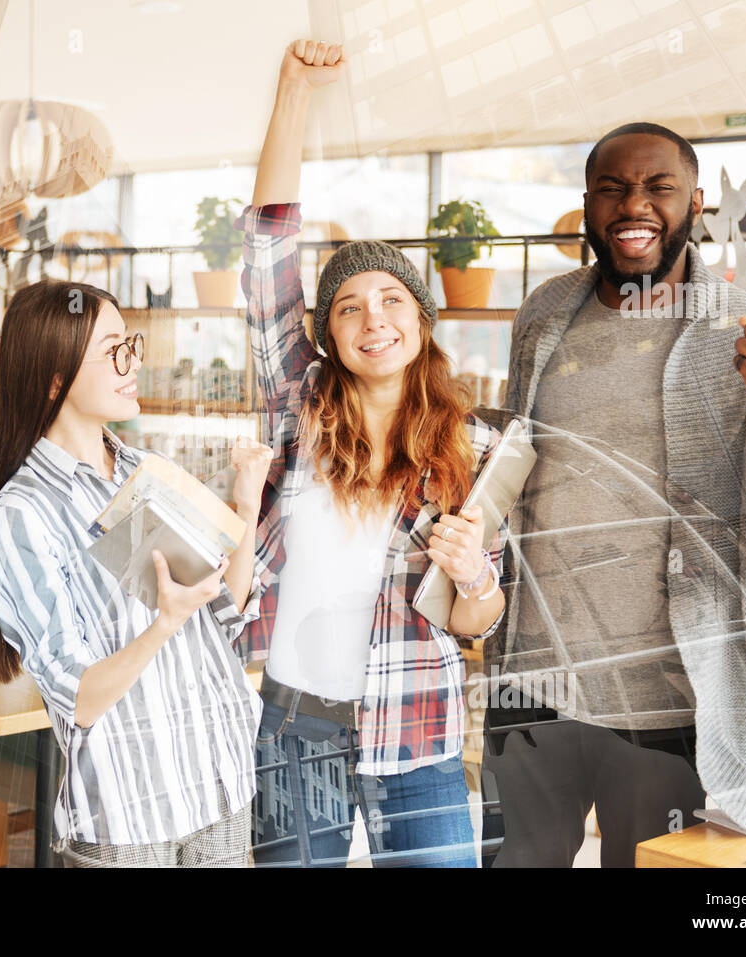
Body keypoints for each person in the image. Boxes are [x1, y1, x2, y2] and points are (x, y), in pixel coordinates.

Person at [482, 122, 746, 867]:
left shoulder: (744, 330)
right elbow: (517, 476)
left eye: (660, 187)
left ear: (695, 203)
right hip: (532, 688)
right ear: (587, 203)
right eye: (614, 187)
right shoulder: (544, 315)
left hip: (671, 707)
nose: (636, 205)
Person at [239, 40, 508, 868]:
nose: (373, 319)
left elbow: (477, 622)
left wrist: (474, 575)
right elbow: (267, 250)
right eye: (348, 308)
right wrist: (293, 94)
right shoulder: (297, 410)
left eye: (393, 300)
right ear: (327, 336)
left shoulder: (476, 445)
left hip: (419, 725)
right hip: (293, 725)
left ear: (424, 322)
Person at [0, 279, 272, 867]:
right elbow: (79, 698)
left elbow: (222, 615)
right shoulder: (24, 514)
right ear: (55, 376)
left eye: (129, 344)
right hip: (129, 817)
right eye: (114, 351)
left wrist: (246, 505)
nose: (133, 361)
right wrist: (162, 624)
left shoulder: (147, 470)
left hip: (220, 786)